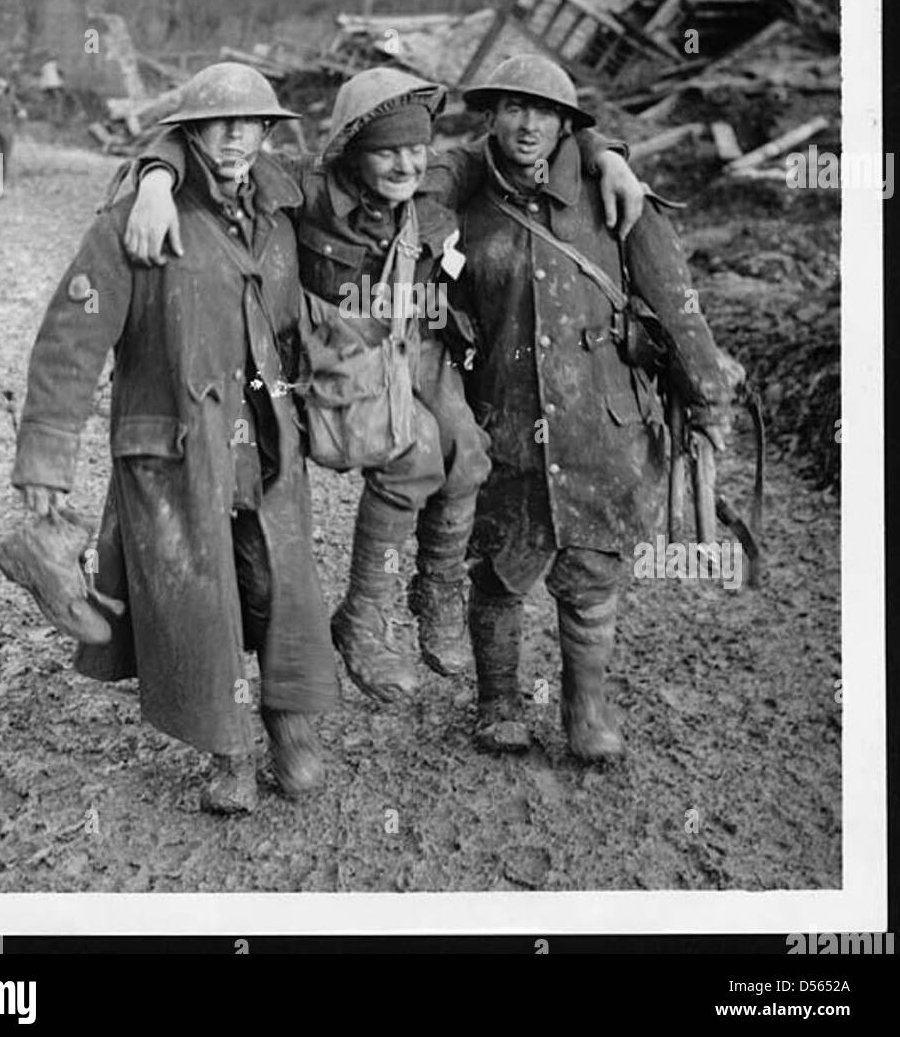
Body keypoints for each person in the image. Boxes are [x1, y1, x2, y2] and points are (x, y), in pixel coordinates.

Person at [124, 66, 645, 707]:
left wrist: (607, 154)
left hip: (421, 346)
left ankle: (435, 591)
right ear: (351, 151)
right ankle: (366, 611)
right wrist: (154, 178)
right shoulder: (304, 187)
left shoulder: (442, 179)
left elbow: (527, 143)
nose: (406, 164)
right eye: (387, 150)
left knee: (468, 453)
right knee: (418, 455)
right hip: (344, 355)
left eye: (416, 148)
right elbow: (215, 148)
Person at [11, 62, 338, 814]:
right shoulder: (136, 218)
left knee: (276, 587)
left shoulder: (283, 211)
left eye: (249, 122)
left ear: (267, 132)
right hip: (173, 446)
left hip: (264, 441)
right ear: (185, 134)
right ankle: (227, 751)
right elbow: (70, 341)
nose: (233, 137)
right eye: (214, 124)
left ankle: (289, 723)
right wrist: (45, 457)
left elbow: (372, 178)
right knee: (198, 597)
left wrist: (607, 159)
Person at [435, 54, 737, 762]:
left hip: (601, 422)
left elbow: (675, 299)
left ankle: (584, 706)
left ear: (569, 123)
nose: (527, 123)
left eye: (543, 111)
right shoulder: (465, 195)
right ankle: (497, 701)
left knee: (593, 568)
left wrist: (706, 398)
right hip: (501, 419)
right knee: (500, 565)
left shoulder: (615, 195)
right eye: (512, 108)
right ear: (490, 117)